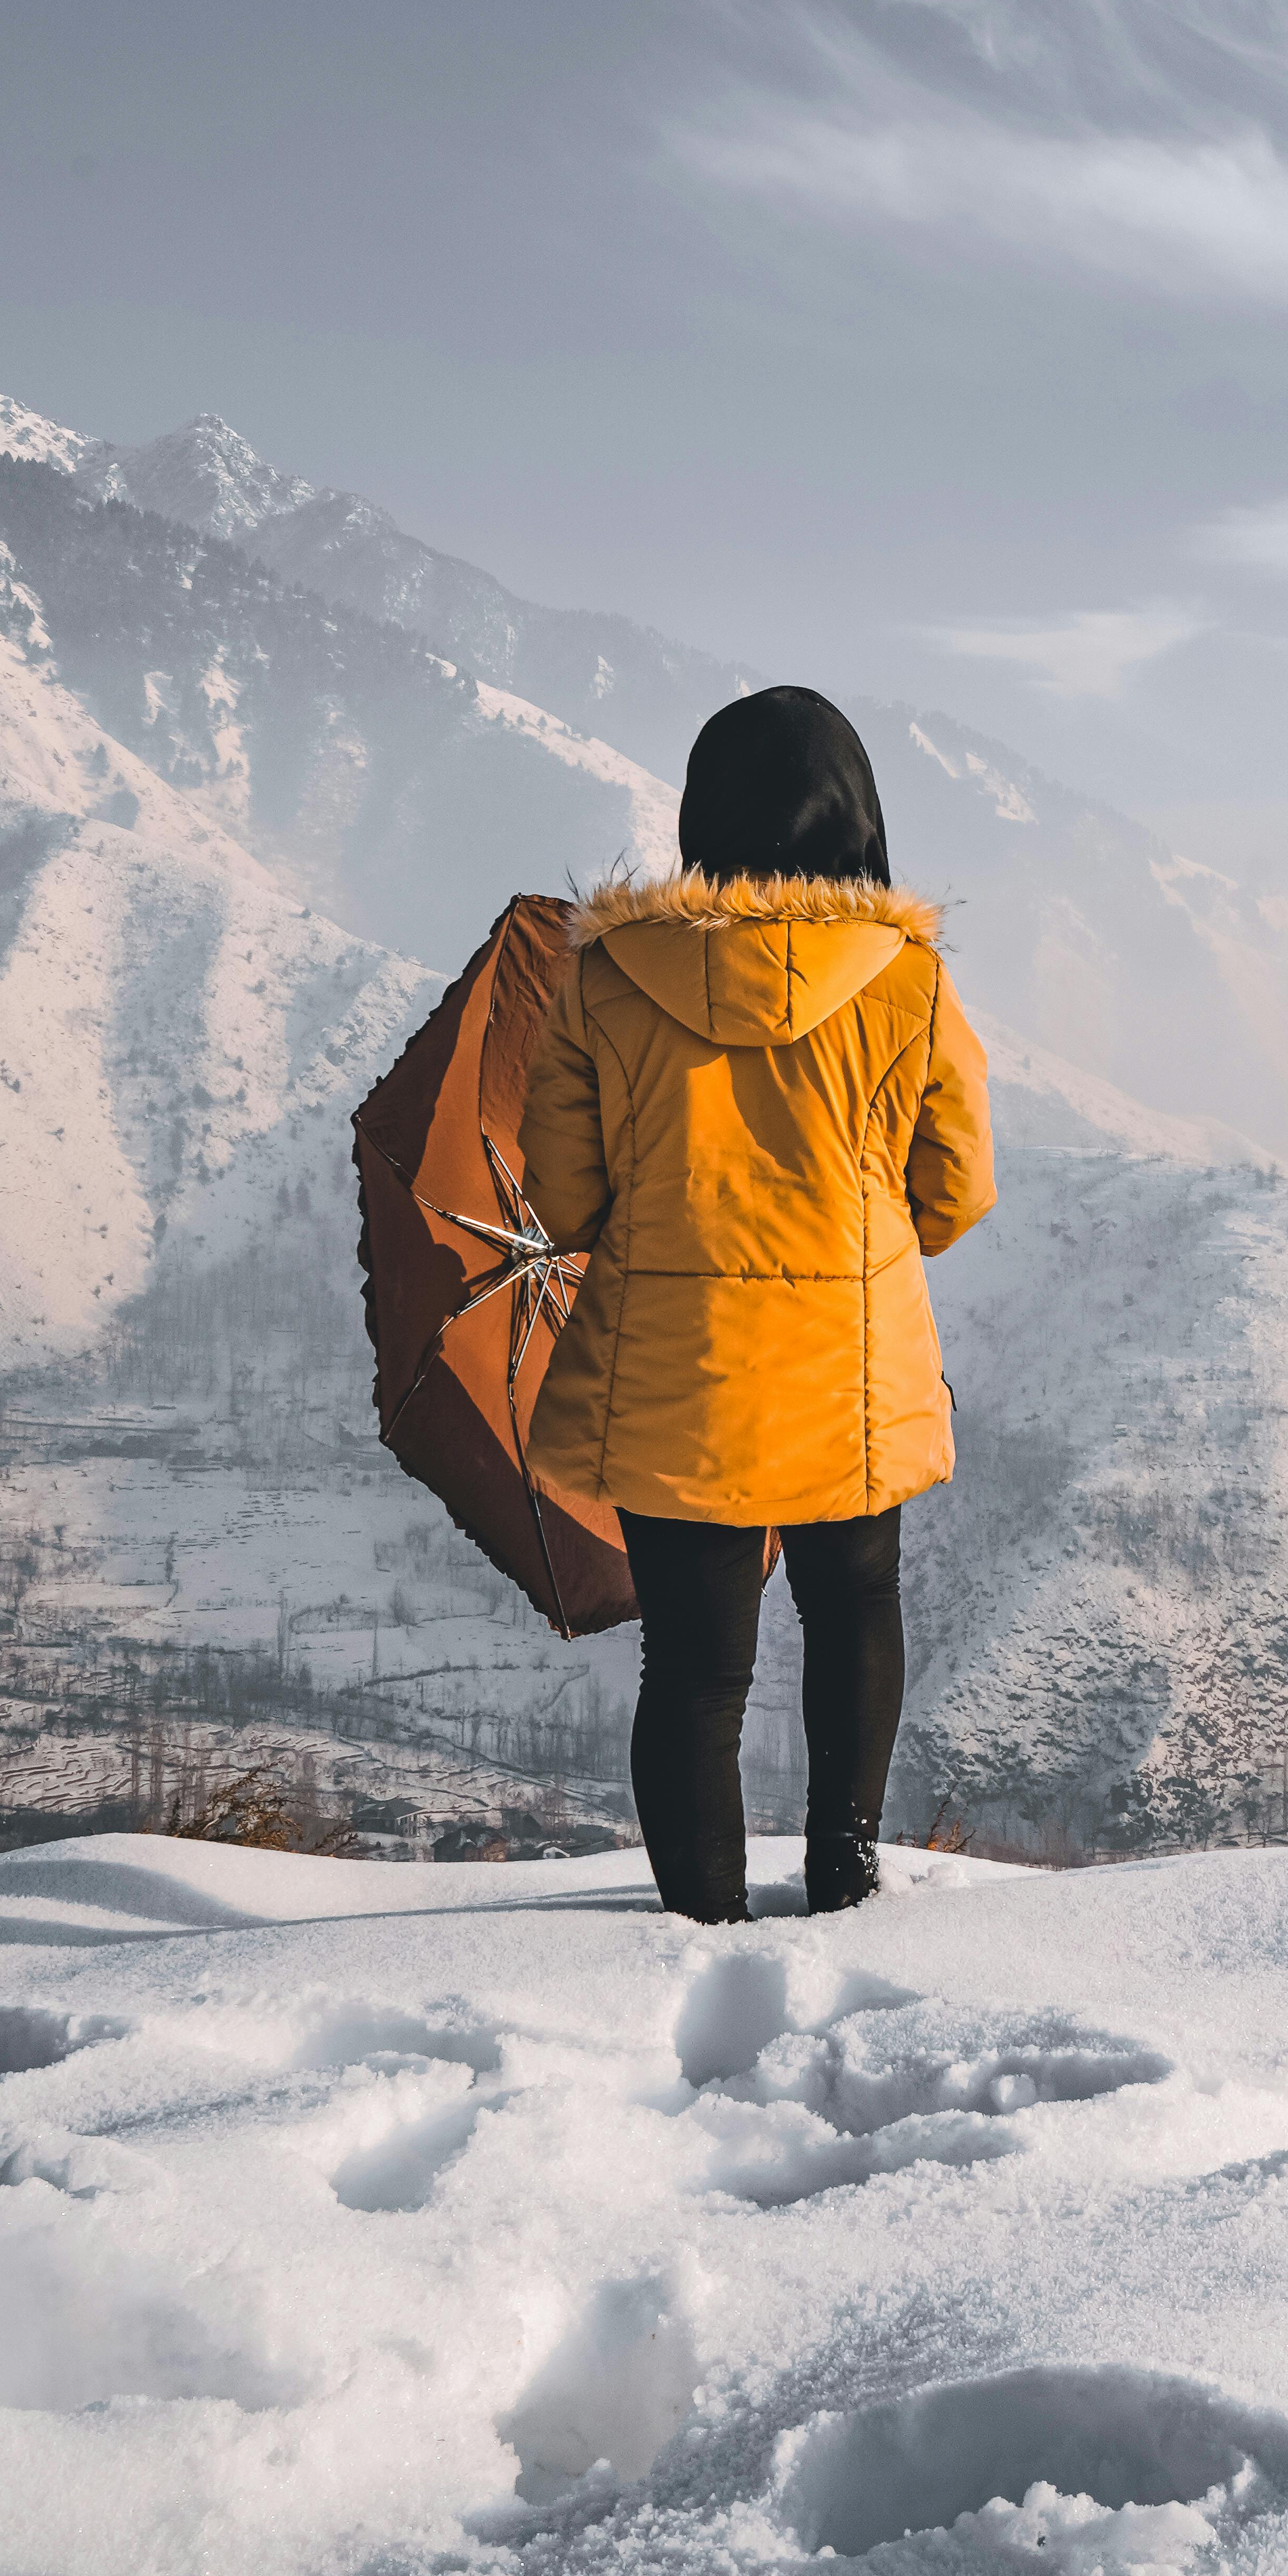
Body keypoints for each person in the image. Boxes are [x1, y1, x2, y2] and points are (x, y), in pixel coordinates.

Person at [516, 689, 994, 1920]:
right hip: (854, 1375)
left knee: (692, 1668)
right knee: (856, 1616)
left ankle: (703, 1932)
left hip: (680, 1383)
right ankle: (845, 1878)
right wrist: (869, 1239)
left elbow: (564, 1207)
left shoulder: (606, 983)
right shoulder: (910, 985)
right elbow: (957, 1190)